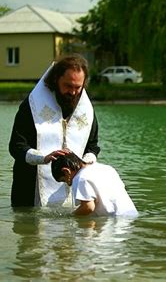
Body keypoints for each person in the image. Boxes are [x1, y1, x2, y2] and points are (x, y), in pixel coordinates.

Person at [9, 54, 100, 207]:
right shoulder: (31, 107)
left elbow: (93, 146)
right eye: (68, 86)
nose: (72, 92)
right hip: (29, 191)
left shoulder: (86, 110)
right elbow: (16, 146)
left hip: (73, 190)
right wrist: (43, 158)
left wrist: (84, 163)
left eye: (78, 87)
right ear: (56, 80)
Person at [51, 152, 138, 216]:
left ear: (66, 171)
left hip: (114, 221)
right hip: (131, 216)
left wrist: (70, 216)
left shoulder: (81, 178)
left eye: (64, 180)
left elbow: (88, 207)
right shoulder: (106, 168)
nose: (68, 184)